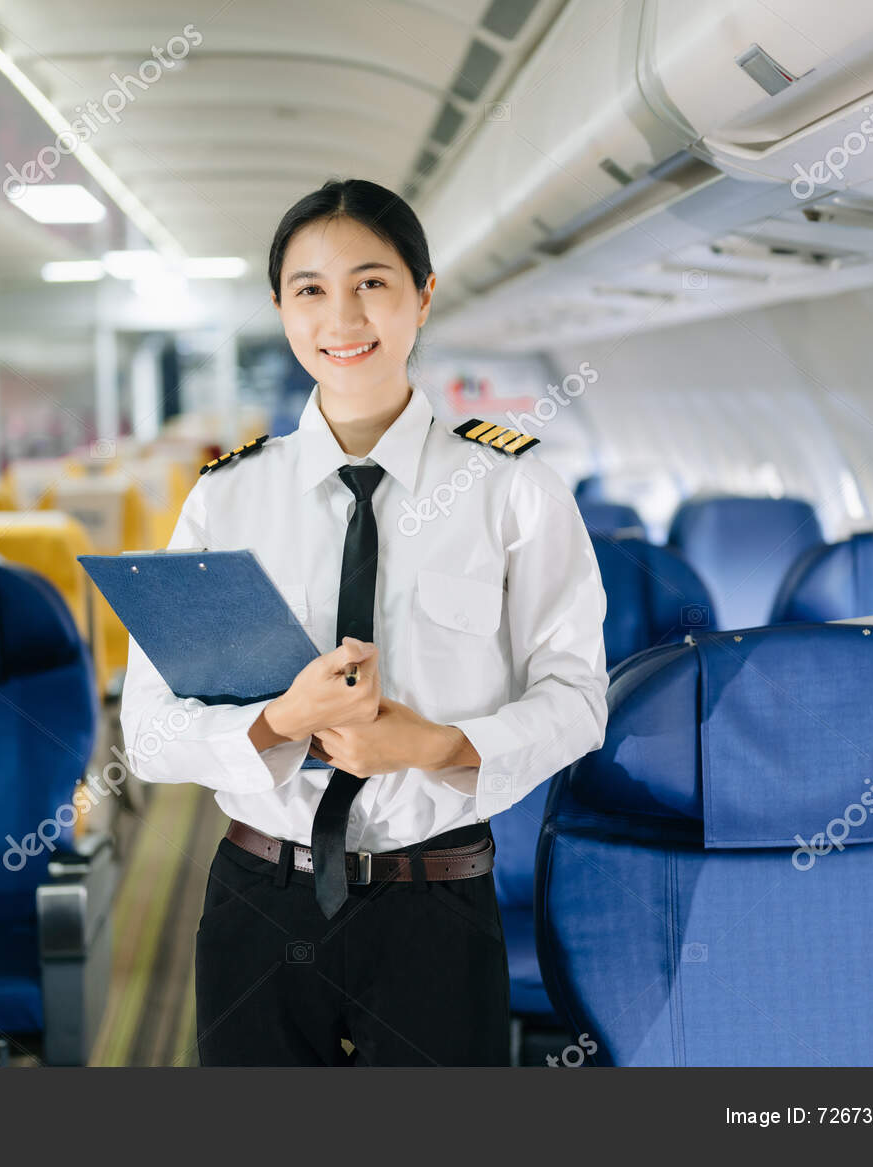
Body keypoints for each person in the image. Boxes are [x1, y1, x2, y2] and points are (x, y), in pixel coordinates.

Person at [119, 178, 608, 1067]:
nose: (342, 315)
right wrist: (278, 725)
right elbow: (149, 735)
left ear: (423, 295)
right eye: (310, 289)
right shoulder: (225, 499)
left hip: (438, 899)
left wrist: (437, 744)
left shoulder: (513, 490)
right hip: (259, 898)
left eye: (372, 283)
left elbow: (578, 701)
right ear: (280, 309)